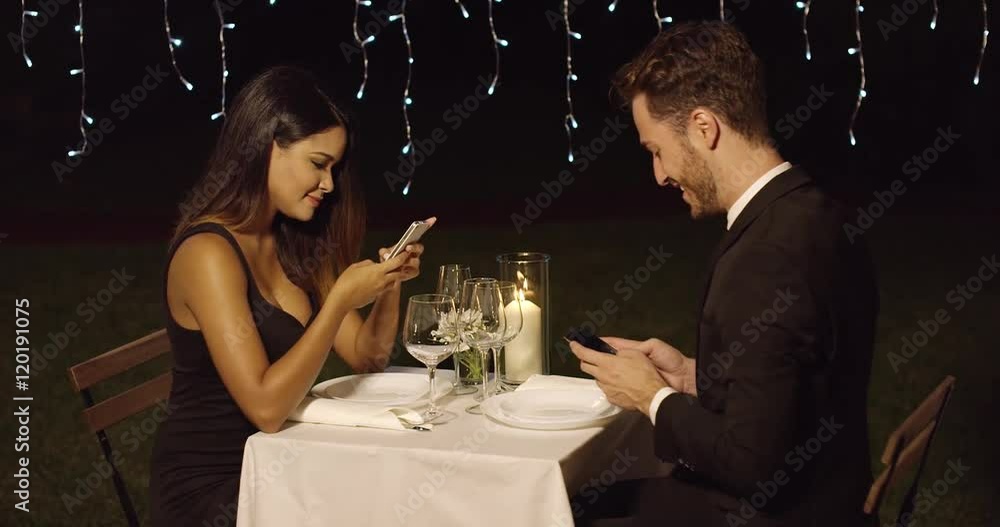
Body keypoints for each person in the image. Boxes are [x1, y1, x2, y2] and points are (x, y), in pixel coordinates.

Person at [569, 21, 879, 526]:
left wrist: (653, 398)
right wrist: (696, 377)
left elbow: (752, 464)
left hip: (774, 512)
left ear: (704, 127)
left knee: (555, 508)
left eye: (656, 150)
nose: (660, 174)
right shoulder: (815, 211)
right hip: (829, 493)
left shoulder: (767, 256)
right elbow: (799, 383)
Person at [149, 65, 431, 526]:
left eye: (334, 168)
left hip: (283, 462)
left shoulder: (297, 243)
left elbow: (368, 357)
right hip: (216, 488)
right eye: (318, 164)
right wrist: (338, 300)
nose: (329, 184)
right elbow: (266, 409)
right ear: (265, 149)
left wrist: (389, 286)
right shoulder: (207, 254)